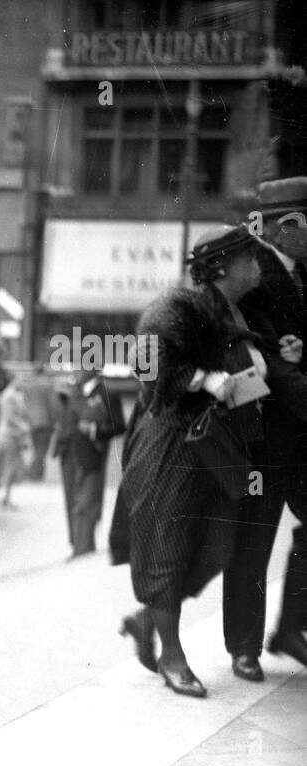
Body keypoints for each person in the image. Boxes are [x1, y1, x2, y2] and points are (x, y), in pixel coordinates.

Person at [115, 224, 267, 696]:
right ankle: (171, 655)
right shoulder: (176, 307)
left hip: (213, 445)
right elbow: (149, 362)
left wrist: (252, 376)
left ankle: (147, 622)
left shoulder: (235, 313)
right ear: (223, 267)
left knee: (219, 544)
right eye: (250, 258)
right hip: (170, 442)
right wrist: (203, 379)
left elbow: (244, 380)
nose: (257, 266)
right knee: (167, 545)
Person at [237, 177, 307, 671]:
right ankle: (244, 647)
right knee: (253, 542)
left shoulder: (300, 270)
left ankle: (289, 629)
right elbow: (258, 358)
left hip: (298, 436)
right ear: (286, 226)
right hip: (263, 437)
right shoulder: (252, 275)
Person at [52, 366, 125, 559]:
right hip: (70, 453)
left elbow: (120, 425)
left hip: (92, 454)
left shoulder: (107, 393)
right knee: (72, 502)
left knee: (88, 503)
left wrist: (94, 430)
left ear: (93, 369)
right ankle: (77, 546)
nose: (77, 371)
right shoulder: (72, 392)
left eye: (81, 366)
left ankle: (83, 549)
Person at [0, 374, 32, 507]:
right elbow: (10, 417)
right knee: (6, 467)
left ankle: (5, 497)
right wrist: (24, 427)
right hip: (8, 435)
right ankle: (3, 497)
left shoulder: (16, 396)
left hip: (14, 435)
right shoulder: (8, 396)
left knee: (10, 468)